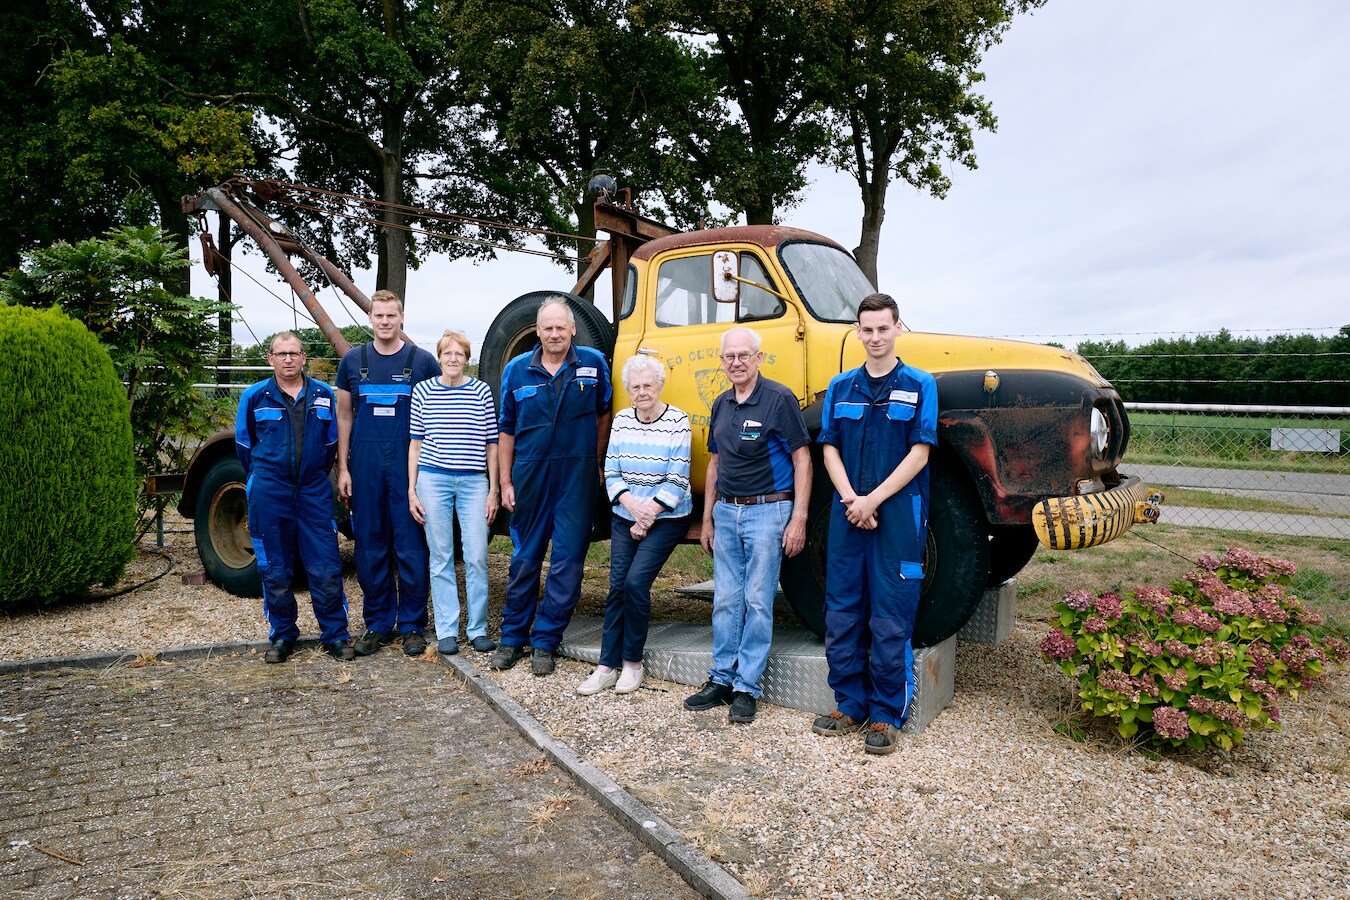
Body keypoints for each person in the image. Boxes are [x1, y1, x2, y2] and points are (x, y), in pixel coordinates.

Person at [810, 293, 937, 755]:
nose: (876, 337)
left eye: (884, 328)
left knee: (890, 614)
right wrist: (851, 499)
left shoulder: (920, 384)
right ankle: (849, 703)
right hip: (849, 514)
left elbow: (920, 451)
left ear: (898, 328)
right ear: (858, 332)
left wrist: (872, 500)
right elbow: (829, 448)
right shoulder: (841, 387)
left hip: (898, 516)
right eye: (868, 329)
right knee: (842, 609)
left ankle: (885, 714)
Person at [684, 327, 811, 724]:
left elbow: (802, 460)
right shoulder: (721, 404)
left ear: (758, 358)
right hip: (726, 512)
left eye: (743, 355)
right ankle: (721, 678)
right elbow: (716, 463)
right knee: (725, 599)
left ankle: (747, 687)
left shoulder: (778, 400)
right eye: (729, 357)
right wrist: (707, 518)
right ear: (722, 362)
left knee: (758, 600)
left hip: (767, 512)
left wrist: (799, 518)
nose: (736, 363)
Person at [490, 297, 612, 676]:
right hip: (530, 476)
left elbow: (604, 411)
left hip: (577, 478)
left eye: (561, 327)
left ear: (572, 329)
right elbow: (505, 430)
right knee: (525, 559)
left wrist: (596, 462)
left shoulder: (592, 363)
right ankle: (512, 637)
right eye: (548, 328)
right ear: (537, 331)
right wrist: (506, 480)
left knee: (568, 563)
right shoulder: (516, 370)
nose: (555, 334)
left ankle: (545, 640)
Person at [577, 355, 692, 696]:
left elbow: (678, 476)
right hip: (627, 514)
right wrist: (631, 506)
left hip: (667, 516)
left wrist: (649, 514)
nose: (642, 392)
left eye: (648, 385)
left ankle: (632, 664)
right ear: (628, 390)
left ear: (660, 386)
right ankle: (605, 666)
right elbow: (611, 471)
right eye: (635, 387)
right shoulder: (623, 420)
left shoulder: (678, 421)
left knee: (636, 584)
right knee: (616, 587)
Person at [235, 333, 353, 663]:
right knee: (274, 568)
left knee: (326, 566)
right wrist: (264, 479)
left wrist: (313, 473)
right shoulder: (254, 396)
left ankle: (336, 635)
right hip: (270, 493)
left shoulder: (323, 395)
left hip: (314, 492)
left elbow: (331, 443)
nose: (288, 359)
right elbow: (245, 448)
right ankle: (283, 635)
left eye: (294, 353)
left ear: (304, 357)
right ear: (270, 359)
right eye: (281, 354)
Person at [335, 289, 441, 657]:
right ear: (370, 319)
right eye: (378, 316)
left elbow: (437, 416)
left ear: (401, 318)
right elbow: (344, 417)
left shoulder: (424, 361)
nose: (384, 322)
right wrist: (343, 467)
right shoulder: (352, 360)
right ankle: (378, 622)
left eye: (390, 316)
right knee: (370, 545)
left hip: (408, 466)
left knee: (411, 547)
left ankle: (412, 624)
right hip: (364, 467)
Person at [408, 330, 500, 656]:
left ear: (467, 358)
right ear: (440, 357)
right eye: (447, 353)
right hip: (433, 479)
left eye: (459, 353)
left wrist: (494, 489)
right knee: (441, 555)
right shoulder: (423, 392)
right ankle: (447, 630)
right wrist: (411, 489)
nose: (452, 359)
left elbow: (492, 443)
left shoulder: (481, 392)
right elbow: (415, 442)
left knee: (476, 555)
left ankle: (477, 629)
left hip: (475, 481)